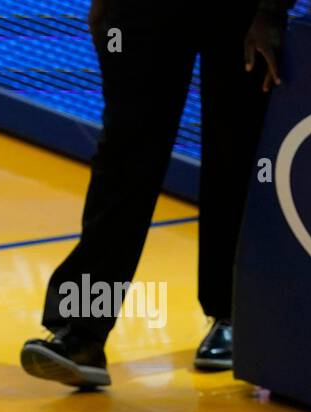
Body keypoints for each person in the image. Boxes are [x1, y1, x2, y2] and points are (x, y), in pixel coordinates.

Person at [21, 0, 292, 388]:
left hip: (243, 8)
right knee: (124, 152)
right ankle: (82, 332)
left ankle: (232, 317)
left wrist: (272, 10)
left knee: (236, 154)